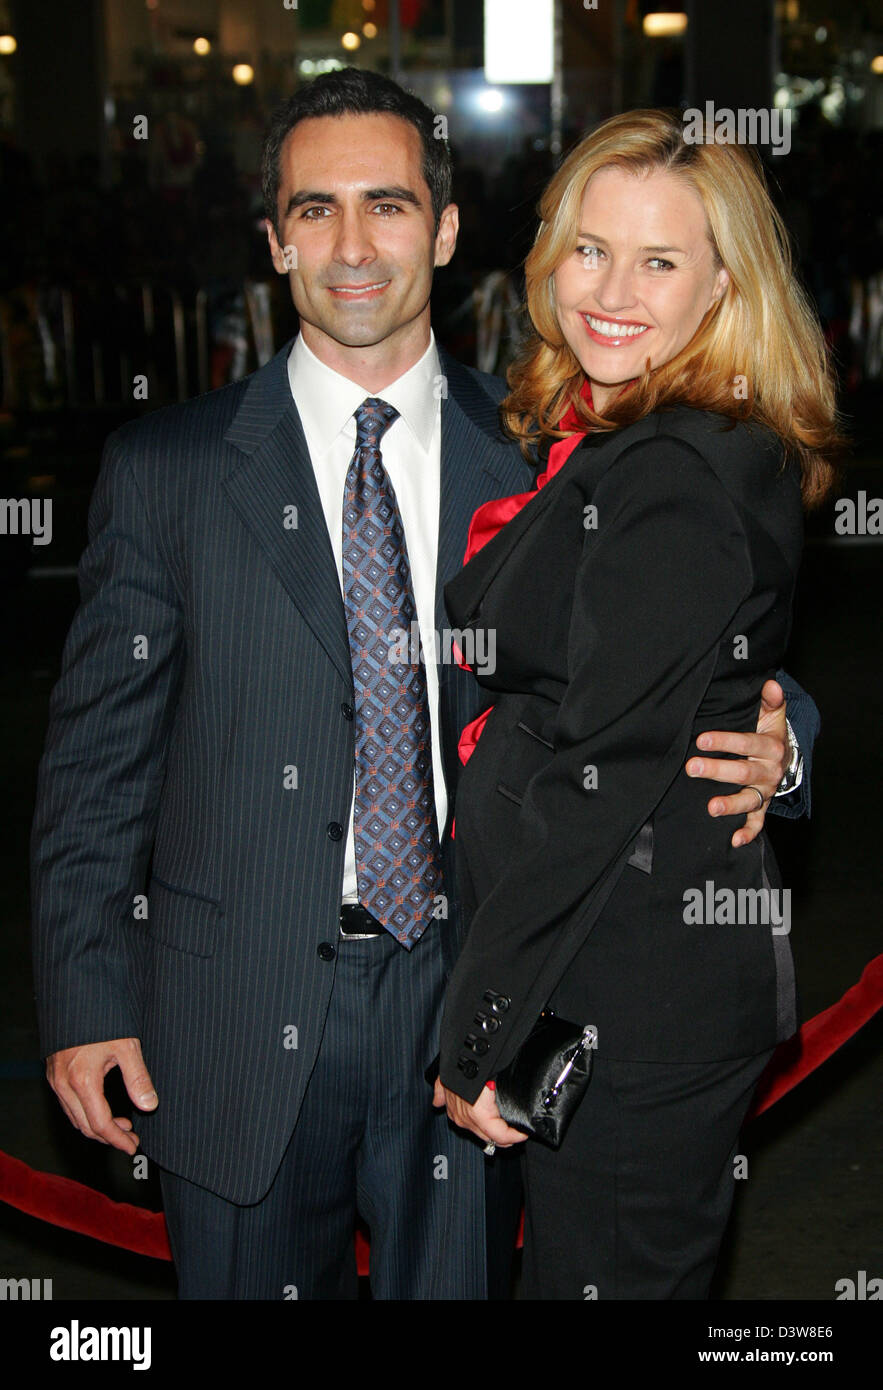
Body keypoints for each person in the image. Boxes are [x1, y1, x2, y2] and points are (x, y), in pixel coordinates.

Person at [30, 74, 815, 1301]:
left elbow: (681, 637)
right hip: (231, 1012)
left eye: (388, 205)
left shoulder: (546, 444)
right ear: (275, 237)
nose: (353, 246)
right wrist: (85, 995)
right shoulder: (165, 470)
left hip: (473, 992)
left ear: (445, 231)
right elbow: (95, 764)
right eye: (316, 209)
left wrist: (782, 735)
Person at [436, 108, 839, 1300]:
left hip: (623, 983)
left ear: (724, 286)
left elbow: (597, 776)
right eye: (590, 249)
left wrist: (477, 1032)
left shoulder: (671, 469)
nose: (611, 291)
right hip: (618, 976)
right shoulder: (625, 430)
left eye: (658, 261)